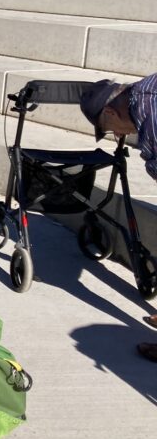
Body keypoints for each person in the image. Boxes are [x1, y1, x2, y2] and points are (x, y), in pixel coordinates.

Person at [79, 74, 157, 362]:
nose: (117, 135)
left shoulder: (151, 109)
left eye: (108, 128)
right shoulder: (144, 93)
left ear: (111, 111)